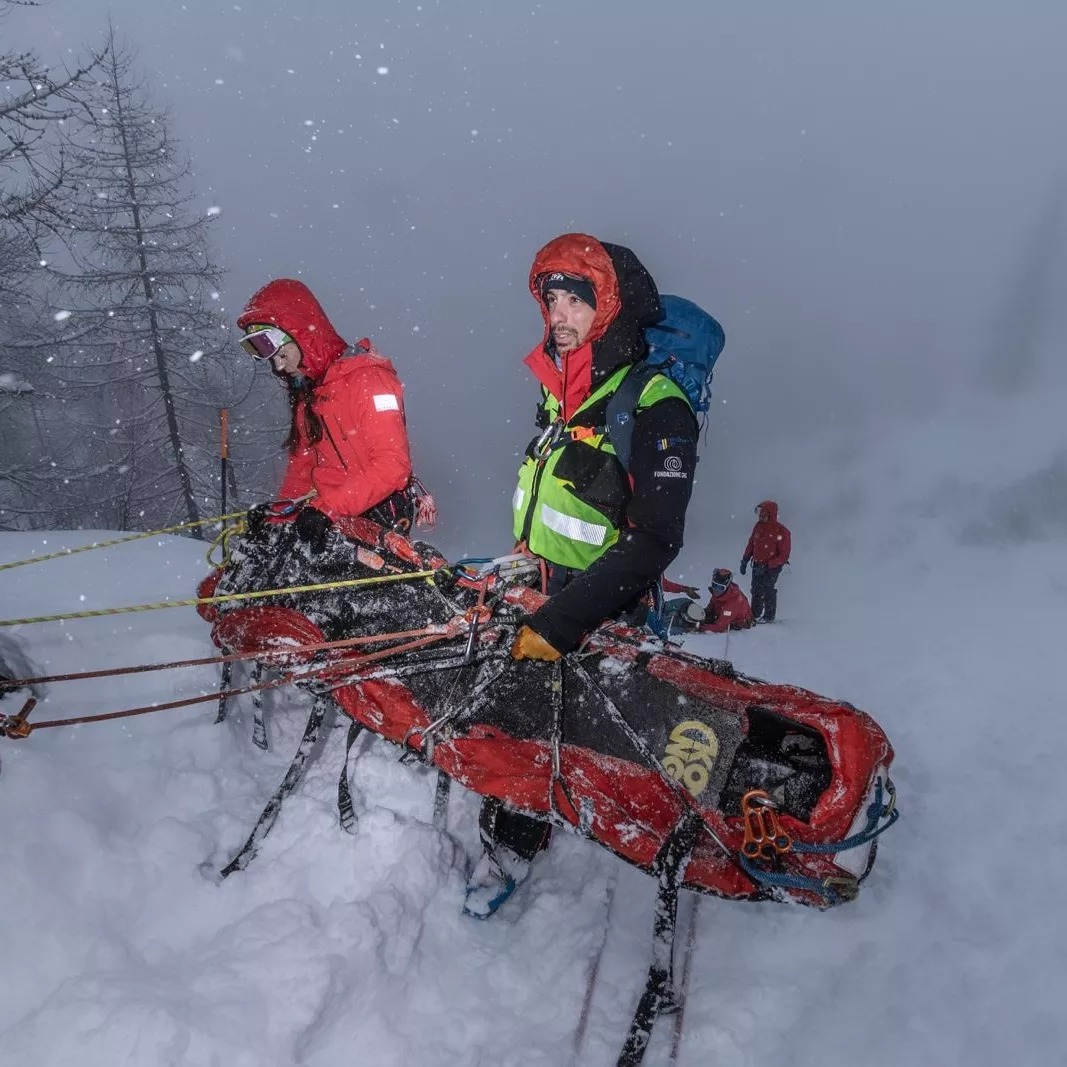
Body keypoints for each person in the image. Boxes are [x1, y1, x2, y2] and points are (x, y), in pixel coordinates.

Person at [464, 233, 700, 918]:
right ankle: (517, 826)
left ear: (609, 309)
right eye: (551, 300)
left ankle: (540, 841)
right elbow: (552, 498)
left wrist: (563, 622)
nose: (559, 315)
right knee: (517, 716)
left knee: (570, 727)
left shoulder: (657, 405)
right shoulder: (558, 398)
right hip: (539, 587)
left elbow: (656, 537)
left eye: (576, 300)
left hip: (603, 607)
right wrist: (518, 555)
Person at [236, 278, 417, 549]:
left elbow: (393, 467)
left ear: (301, 334)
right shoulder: (310, 396)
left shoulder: (370, 380)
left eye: (280, 352)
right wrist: (276, 520)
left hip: (375, 515)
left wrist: (328, 508)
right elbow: (302, 471)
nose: (278, 365)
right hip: (329, 519)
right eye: (267, 356)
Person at [739, 500, 791, 623]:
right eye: (760, 515)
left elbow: (784, 556)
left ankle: (769, 615)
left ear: (771, 515)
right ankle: (755, 614)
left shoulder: (782, 532)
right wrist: (745, 559)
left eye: (764, 515)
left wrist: (768, 565)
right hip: (757, 564)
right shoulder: (758, 527)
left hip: (773, 567)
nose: (761, 518)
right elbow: (752, 543)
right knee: (756, 589)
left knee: (768, 588)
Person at [699, 567, 753, 632]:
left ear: (727, 587)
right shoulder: (721, 594)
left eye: (720, 587)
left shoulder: (732, 604)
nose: (716, 590)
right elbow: (711, 605)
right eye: (714, 585)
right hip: (723, 614)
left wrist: (700, 627)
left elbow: (720, 627)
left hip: (737, 622)